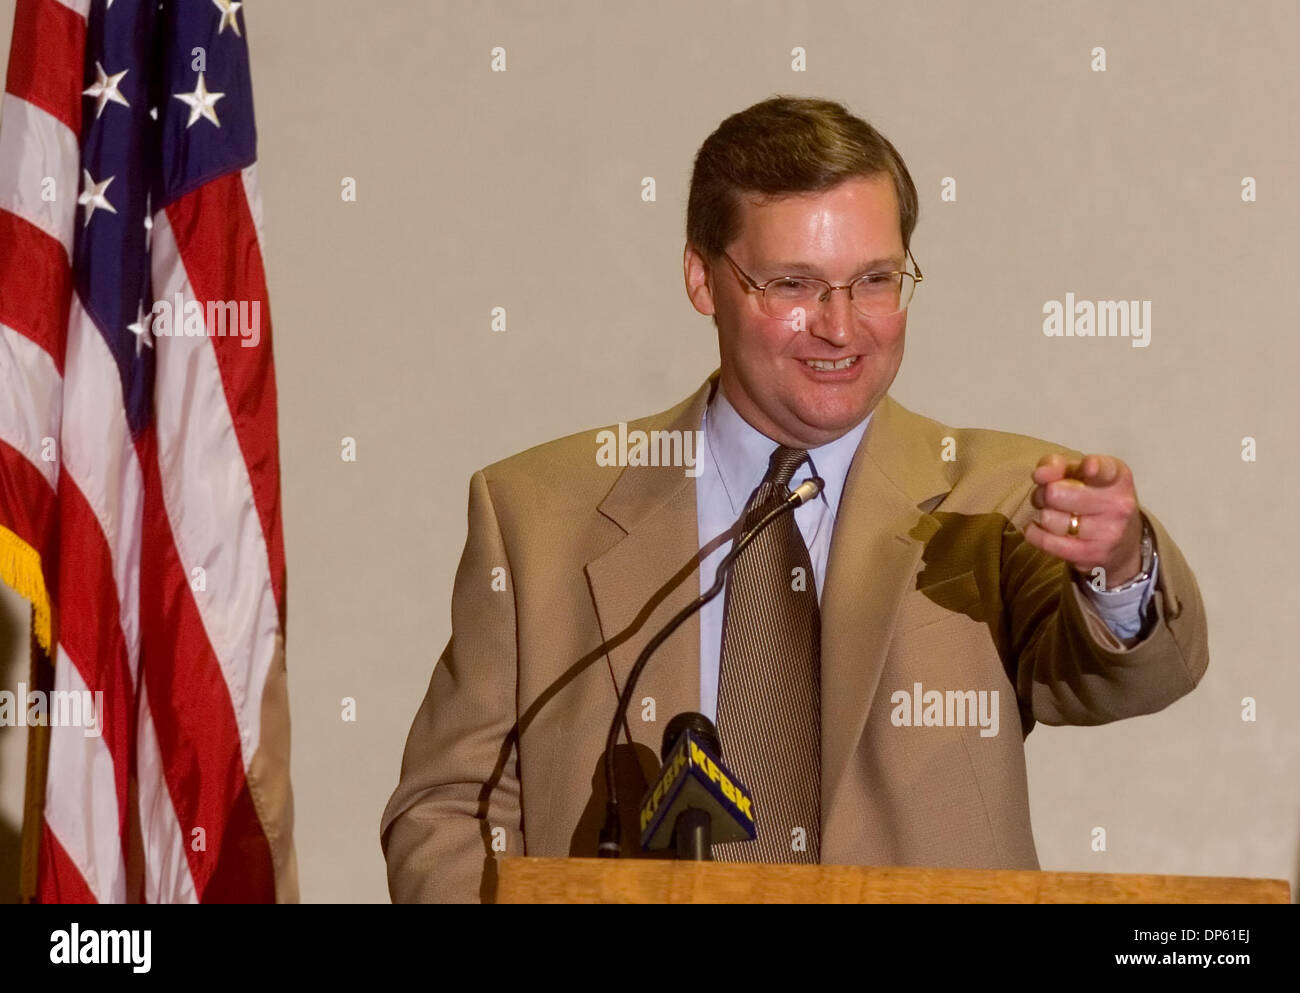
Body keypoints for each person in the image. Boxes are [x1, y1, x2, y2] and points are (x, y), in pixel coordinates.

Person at [380, 95, 1209, 903]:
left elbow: (1127, 680)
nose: (841, 328)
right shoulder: (537, 515)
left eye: (875, 280)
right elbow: (451, 809)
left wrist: (1119, 567)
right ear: (703, 279)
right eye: (794, 285)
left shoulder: (991, 503)